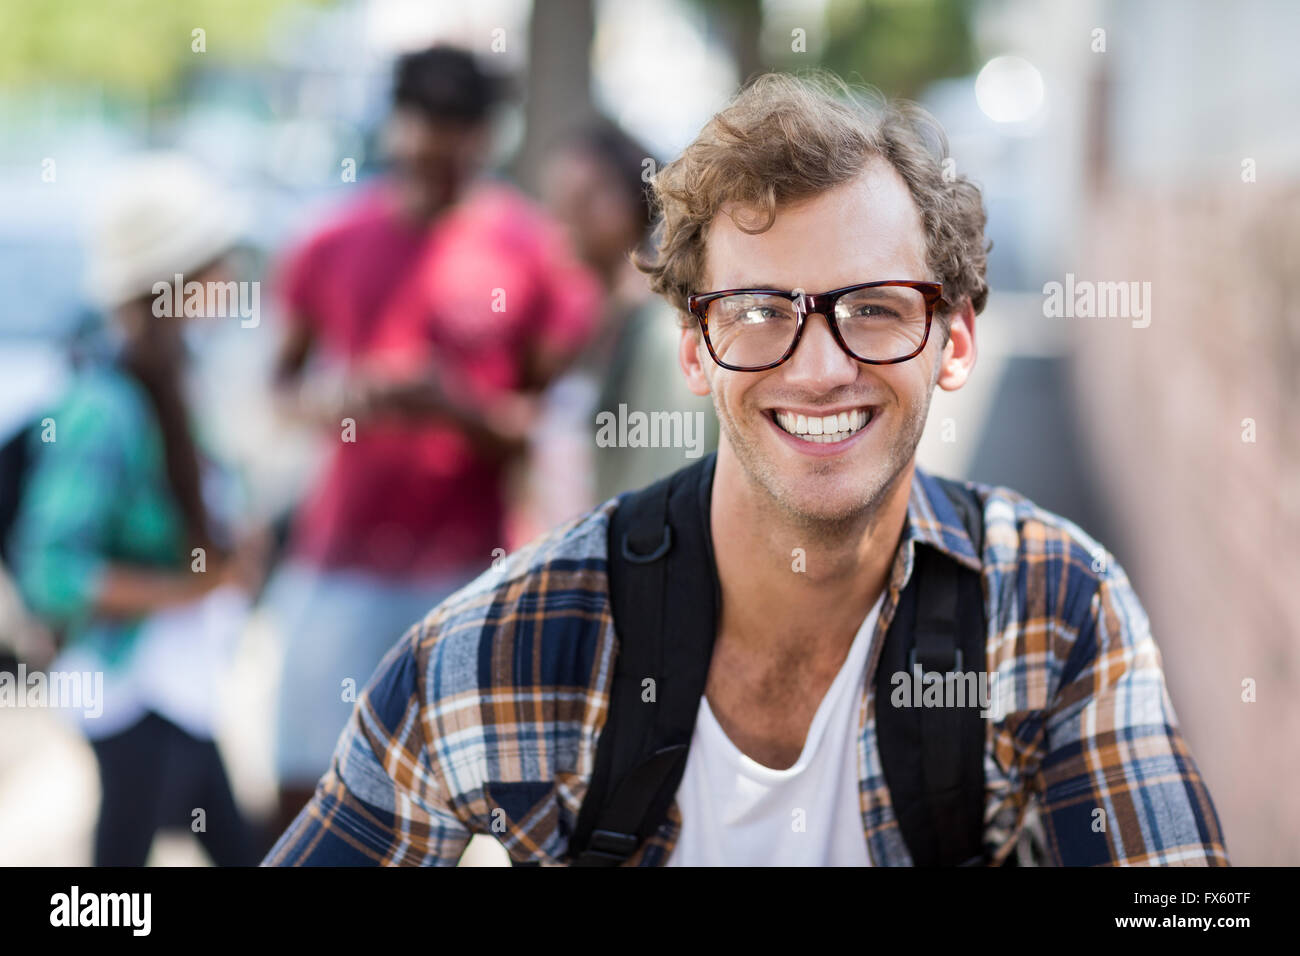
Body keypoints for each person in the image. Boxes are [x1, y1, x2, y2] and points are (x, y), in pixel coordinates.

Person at [263, 72, 1228, 866]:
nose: (818, 369)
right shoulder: (511, 645)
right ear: (695, 350)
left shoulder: (1051, 606)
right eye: (761, 310)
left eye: (878, 308)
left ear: (955, 340)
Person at [265, 44, 601, 836]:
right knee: (304, 781)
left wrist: (454, 407)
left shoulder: (530, 252)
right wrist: (346, 398)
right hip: (338, 558)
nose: (430, 166)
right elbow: (279, 392)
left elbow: (552, 432)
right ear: (395, 131)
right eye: (418, 144)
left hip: (470, 569)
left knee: (480, 806)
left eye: (452, 148)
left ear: (484, 140)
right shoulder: (329, 241)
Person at [10, 153, 265, 866]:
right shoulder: (104, 406)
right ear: (176, 282)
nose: (232, 280)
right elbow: (53, 572)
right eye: (218, 263)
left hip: (176, 686)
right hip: (133, 692)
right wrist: (191, 588)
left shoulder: (177, 381)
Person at [541, 120, 717, 507]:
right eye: (559, 201)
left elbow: (670, 473)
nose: (563, 219)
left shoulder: (663, 329)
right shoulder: (605, 318)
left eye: (582, 199)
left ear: (631, 204)